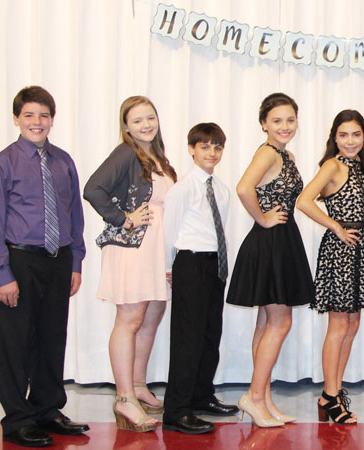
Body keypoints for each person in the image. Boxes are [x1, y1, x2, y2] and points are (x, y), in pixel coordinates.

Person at [0, 86, 88, 447]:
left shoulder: (63, 161)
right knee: (15, 344)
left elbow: (74, 214)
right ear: (16, 119)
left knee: (52, 337)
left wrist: (75, 261)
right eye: (29, 115)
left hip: (58, 259)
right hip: (19, 260)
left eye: (44, 115)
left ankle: (47, 409)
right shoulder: (4, 163)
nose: (37, 122)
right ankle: (17, 419)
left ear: (52, 119)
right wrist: (2, 274)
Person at [84, 96, 177, 432]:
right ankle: (124, 398)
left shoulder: (158, 157)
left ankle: (138, 386)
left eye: (150, 117)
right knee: (130, 317)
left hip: (157, 250)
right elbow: (93, 189)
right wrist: (123, 219)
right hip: (134, 248)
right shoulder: (126, 153)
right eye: (137, 120)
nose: (146, 125)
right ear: (126, 126)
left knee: (151, 316)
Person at [226, 93, 314, 428]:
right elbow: (243, 188)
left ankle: (262, 398)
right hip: (272, 242)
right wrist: (263, 218)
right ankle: (253, 396)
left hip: (281, 241)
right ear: (263, 123)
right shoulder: (267, 153)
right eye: (277, 120)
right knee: (280, 322)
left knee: (266, 323)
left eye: (290, 119)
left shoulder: (285, 155)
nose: (285, 126)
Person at [296, 110, 364, 424]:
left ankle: (332, 392)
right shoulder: (332, 165)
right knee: (339, 325)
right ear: (334, 137)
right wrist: (336, 227)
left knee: (353, 323)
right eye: (343, 135)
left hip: (360, 250)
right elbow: (304, 201)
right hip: (340, 251)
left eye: (356, 134)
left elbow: (361, 208)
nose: (350, 141)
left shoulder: (361, 167)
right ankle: (330, 395)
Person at [161, 123, 239, 434]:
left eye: (217, 147)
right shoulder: (183, 188)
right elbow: (169, 230)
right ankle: (177, 410)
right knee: (187, 338)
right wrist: (168, 267)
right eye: (205, 146)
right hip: (190, 262)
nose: (212, 152)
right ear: (191, 149)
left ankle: (201, 395)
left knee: (210, 333)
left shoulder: (221, 189)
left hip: (214, 264)